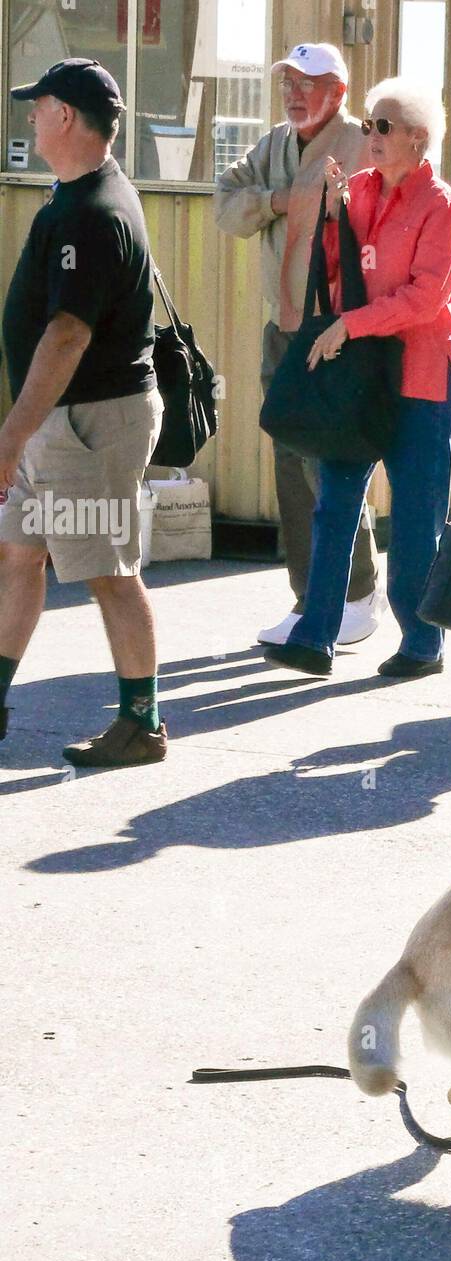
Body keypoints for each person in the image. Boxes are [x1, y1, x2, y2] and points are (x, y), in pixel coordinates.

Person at [264, 78, 451, 680]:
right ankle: (315, 634)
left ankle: (422, 644)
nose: (369, 135)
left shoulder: (441, 205)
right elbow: (334, 270)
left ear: (418, 139)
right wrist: (330, 217)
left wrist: (353, 325)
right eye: (370, 124)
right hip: (359, 378)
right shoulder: (355, 191)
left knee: (413, 518)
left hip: (420, 379)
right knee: (335, 503)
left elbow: (427, 298)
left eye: (382, 126)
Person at [0, 59, 167, 767]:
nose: (30, 117)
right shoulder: (81, 194)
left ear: (66, 115)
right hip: (58, 426)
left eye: (37, 107)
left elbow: (69, 333)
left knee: (106, 569)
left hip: (84, 426)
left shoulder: (93, 213)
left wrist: (11, 433)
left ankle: (142, 721)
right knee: (18, 554)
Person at [214, 41, 384, 648]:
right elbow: (225, 209)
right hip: (282, 329)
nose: (293, 93)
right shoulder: (273, 147)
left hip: (336, 331)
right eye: (287, 81)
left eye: (308, 83)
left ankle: (359, 593)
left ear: (339, 92)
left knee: (330, 465)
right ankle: (308, 598)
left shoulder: (364, 142)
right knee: (289, 460)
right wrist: (281, 201)